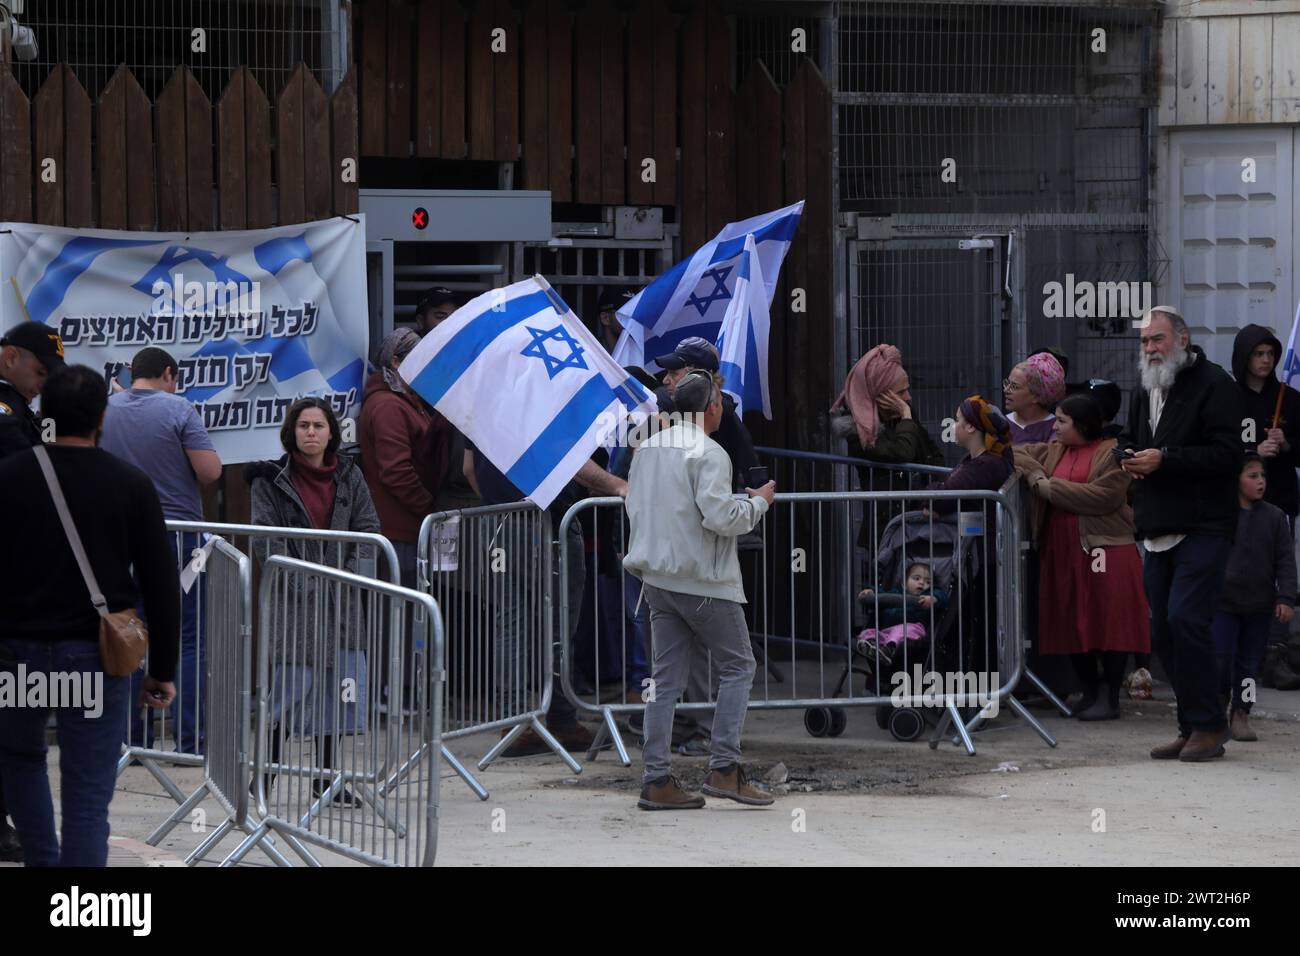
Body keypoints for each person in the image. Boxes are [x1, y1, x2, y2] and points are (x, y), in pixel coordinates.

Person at [0, 364, 179, 866]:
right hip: (96, 659)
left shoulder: (9, 477)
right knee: (87, 791)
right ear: (102, 416)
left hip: (17, 657)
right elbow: (162, 585)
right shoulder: (130, 484)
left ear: (44, 411)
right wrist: (161, 669)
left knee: (20, 760)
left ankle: (42, 862)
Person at [623, 371, 777, 810]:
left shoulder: (648, 446)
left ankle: (657, 780)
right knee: (739, 667)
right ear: (713, 409)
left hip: (656, 578)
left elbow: (636, 503)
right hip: (703, 580)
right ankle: (724, 769)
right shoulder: (710, 452)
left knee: (664, 681)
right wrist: (759, 501)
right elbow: (721, 518)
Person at [1117, 306, 1243, 762]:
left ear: (1182, 339)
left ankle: (1211, 725)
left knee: (1187, 620)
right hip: (1157, 524)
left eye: (1158, 339)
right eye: (1145, 341)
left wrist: (1166, 459)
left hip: (1204, 524)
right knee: (1164, 632)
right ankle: (1191, 725)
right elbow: (1133, 439)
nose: (1151, 348)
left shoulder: (1215, 385)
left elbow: (1228, 455)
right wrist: (1127, 457)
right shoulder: (1144, 388)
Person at [247, 397, 382, 805]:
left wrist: (351, 577)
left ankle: (327, 780)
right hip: (296, 604)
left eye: (318, 426)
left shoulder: (350, 475)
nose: (310, 433)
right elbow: (264, 539)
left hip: (341, 603)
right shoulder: (268, 480)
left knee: (338, 692)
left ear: (330, 433)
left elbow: (369, 529)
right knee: (288, 694)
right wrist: (304, 583)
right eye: (303, 425)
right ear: (292, 432)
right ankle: (263, 780)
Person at [462, 443, 626, 756]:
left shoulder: (483, 401)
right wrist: (618, 485)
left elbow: (468, 469)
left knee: (511, 622)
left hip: (498, 520)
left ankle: (518, 721)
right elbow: (576, 464)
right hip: (545, 522)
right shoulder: (542, 402)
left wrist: (500, 505)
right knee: (558, 624)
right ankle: (558, 719)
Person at [100, 347, 222, 754]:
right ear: (169, 374)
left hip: (118, 535)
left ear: (133, 372)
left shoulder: (107, 409)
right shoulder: (180, 409)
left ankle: (131, 740)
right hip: (177, 536)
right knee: (187, 637)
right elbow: (209, 472)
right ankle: (189, 741)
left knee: (128, 633)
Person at [1014, 393, 1150, 720]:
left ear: (1083, 424)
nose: (1055, 427)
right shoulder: (1055, 450)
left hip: (1106, 549)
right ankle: (1090, 692)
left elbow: (1101, 497)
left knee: (1109, 624)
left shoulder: (1113, 453)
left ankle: (1110, 697)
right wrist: (1037, 477)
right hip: (1062, 550)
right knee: (1072, 622)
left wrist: (1048, 489)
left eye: (1062, 421)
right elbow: (1017, 454)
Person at [0, 321, 66, 862]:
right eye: (39, 372)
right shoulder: (2, 414)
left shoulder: (19, 408)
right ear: (9, 357)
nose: (42, 384)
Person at [1213, 452, 1296, 742]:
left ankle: (1242, 712)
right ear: (1236, 480)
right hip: (1222, 603)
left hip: (1259, 606)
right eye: (1252, 476)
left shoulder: (1275, 517)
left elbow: (1286, 561)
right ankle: (1218, 706)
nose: (1260, 482)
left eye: (1262, 476)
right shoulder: (1221, 514)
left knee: (1249, 664)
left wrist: (1285, 597)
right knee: (1221, 659)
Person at [359, 328, 438, 590]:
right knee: (400, 616)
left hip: (406, 529)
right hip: (398, 533)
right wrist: (431, 508)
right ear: (396, 361)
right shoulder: (389, 406)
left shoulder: (405, 400)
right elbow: (396, 472)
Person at [830, 343, 944, 483]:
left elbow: (931, 450)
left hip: (927, 498)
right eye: (901, 392)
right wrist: (906, 418)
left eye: (907, 389)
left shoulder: (901, 411)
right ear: (879, 397)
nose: (908, 397)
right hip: (893, 503)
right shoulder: (859, 430)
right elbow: (902, 453)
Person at [854, 562, 947, 668]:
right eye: (916, 578)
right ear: (904, 582)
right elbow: (882, 595)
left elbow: (942, 596)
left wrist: (933, 598)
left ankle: (888, 650)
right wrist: (871, 592)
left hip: (911, 631)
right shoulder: (897, 592)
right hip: (886, 632)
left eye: (928, 582)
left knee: (903, 630)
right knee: (870, 631)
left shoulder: (928, 594)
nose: (922, 583)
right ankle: (870, 646)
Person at [1003, 351, 1066, 445]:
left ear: (1037, 396)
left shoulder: (1055, 428)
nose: (1006, 390)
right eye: (1007, 383)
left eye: (1015, 387)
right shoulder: (1000, 423)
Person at [596, 287, 634, 354]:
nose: (634, 318)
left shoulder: (646, 359)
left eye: (636, 312)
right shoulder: (591, 359)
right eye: (626, 312)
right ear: (605, 318)